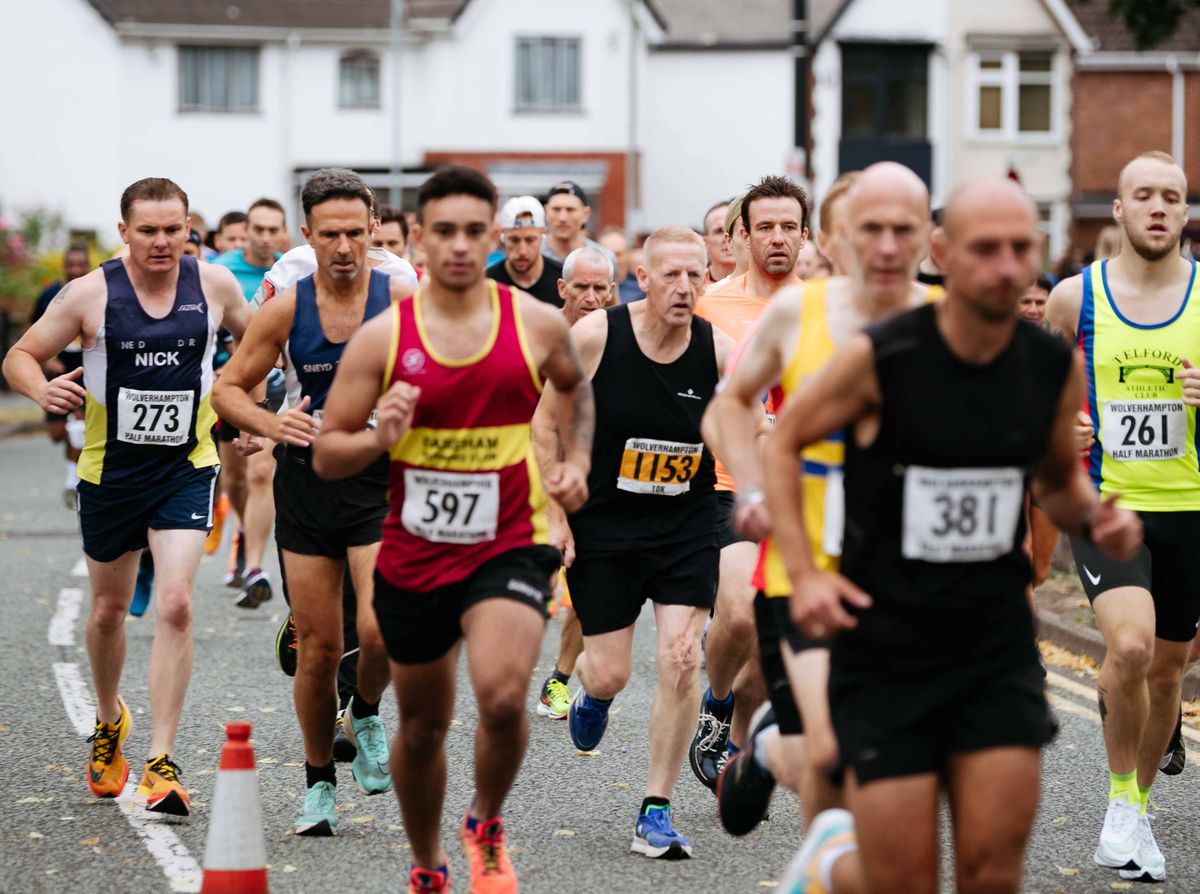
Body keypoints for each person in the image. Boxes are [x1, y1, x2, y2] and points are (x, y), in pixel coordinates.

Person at [765, 176, 1143, 894]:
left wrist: (1098, 520)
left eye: (1020, 249)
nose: (1006, 267)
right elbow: (786, 446)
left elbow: (1057, 482)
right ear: (941, 251)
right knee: (900, 879)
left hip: (994, 649)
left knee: (991, 873)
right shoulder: (883, 356)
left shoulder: (1048, 367)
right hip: (887, 651)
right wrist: (807, 573)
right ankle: (833, 859)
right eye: (984, 249)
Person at [312, 166, 593, 894]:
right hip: (417, 549)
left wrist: (576, 462)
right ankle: (428, 860)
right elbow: (327, 451)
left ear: (494, 232)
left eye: (476, 231)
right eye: (445, 232)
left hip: (510, 535)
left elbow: (573, 386)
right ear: (416, 240)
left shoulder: (535, 322)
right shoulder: (384, 339)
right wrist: (381, 438)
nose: (462, 246)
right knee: (424, 725)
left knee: (501, 698)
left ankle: (487, 823)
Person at [2, 177, 252, 816]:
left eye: (175, 228)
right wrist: (42, 391)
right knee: (109, 611)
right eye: (149, 230)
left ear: (189, 227)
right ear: (125, 233)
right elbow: (21, 355)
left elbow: (260, 347)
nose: (163, 241)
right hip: (110, 475)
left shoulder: (215, 286)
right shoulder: (89, 294)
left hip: (186, 468)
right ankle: (111, 718)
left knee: (174, 604)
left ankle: (161, 761)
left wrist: (250, 408)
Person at [707, 163, 941, 840]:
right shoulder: (797, 314)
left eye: (903, 229)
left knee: (873, 751)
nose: (886, 245)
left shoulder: (945, 321)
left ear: (926, 238)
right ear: (838, 239)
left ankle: (768, 749)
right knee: (835, 754)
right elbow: (727, 412)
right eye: (870, 228)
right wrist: (753, 484)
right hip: (801, 570)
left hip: (903, 572)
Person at [213, 168, 410, 835]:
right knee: (319, 646)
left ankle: (366, 707)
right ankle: (319, 781)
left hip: (380, 482)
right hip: (307, 484)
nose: (346, 247)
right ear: (308, 235)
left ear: (374, 227)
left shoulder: (403, 294)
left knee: (382, 631)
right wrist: (273, 425)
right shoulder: (286, 306)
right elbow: (229, 388)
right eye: (331, 235)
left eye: (357, 232)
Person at [548, 226, 736, 859]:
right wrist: (555, 512)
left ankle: (655, 809)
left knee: (683, 657)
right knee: (611, 670)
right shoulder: (597, 337)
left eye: (697, 276)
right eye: (672, 276)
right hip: (604, 524)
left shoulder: (719, 352)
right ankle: (592, 694)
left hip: (685, 526)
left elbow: (748, 430)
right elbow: (545, 424)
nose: (685, 288)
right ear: (644, 278)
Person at [1044, 150, 1199, 883]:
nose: (1159, 207)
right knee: (1131, 649)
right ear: (1120, 209)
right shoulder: (1074, 299)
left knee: (1168, 671)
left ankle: (1138, 805)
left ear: (1184, 211)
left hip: (1191, 507)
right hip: (1109, 506)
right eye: (1145, 195)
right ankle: (1116, 804)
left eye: (1172, 196)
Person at [689, 175, 808, 789]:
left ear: (806, 234)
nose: (778, 238)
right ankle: (714, 704)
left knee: (768, 643)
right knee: (738, 613)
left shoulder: (823, 307)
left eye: (789, 226)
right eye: (765, 227)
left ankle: (737, 748)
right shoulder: (711, 305)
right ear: (740, 237)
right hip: (728, 483)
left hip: (803, 494)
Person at [535, 246, 619, 720]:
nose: (590, 297)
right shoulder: (540, 334)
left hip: (591, 476)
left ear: (612, 289)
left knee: (590, 587)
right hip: (530, 470)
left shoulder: (619, 334)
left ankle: (560, 679)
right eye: (581, 287)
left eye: (599, 288)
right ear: (562, 288)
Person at [214, 198, 288, 609]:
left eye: (272, 230)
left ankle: (254, 567)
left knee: (261, 472)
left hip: (274, 386)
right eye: (257, 228)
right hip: (231, 385)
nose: (263, 237)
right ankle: (244, 528)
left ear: (282, 232)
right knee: (235, 479)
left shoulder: (289, 271)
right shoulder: (224, 270)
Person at [31, 243, 92, 506]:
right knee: (58, 433)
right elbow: (32, 329)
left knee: (80, 424)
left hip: (87, 367)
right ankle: (73, 440)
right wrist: (49, 358)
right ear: (64, 266)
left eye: (80, 264)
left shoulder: (95, 292)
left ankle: (73, 481)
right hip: (60, 368)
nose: (75, 269)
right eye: (71, 264)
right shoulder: (50, 294)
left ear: (87, 265)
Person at [486, 196, 565, 307]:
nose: (522, 251)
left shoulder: (563, 279)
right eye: (514, 240)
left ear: (543, 233)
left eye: (530, 240)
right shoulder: (487, 283)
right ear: (502, 235)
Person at [541, 181, 616, 270]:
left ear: (586, 214)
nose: (562, 218)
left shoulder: (603, 259)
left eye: (570, 210)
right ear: (546, 212)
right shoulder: (533, 256)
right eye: (556, 209)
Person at [598, 226, 644, 304]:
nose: (612, 259)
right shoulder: (589, 288)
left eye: (617, 254)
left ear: (628, 255)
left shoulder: (642, 288)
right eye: (606, 254)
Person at [703, 200, 736, 284]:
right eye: (719, 231)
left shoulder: (762, 284)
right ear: (706, 243)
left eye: (733, 229)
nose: (727, 238)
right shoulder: (694, 286)